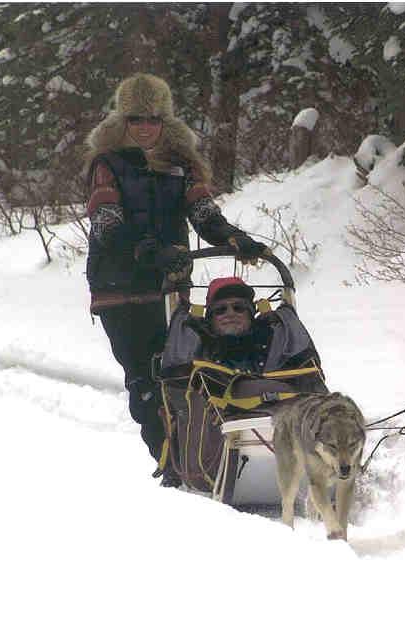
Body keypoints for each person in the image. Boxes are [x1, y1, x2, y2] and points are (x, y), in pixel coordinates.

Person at [83, 73, 267, 474]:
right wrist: (147, 249)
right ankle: (170, 463)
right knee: (146, 379)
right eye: (135, 120)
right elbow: (106, 224)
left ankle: (206, 456)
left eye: (152, 119)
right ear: (122, 122)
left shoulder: (181, 165)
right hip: (122, 290)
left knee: (187, 373)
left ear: (165, 122)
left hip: (171, 286)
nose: (144, 128)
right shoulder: (107, 164)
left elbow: (203, 213)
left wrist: (236, 239)